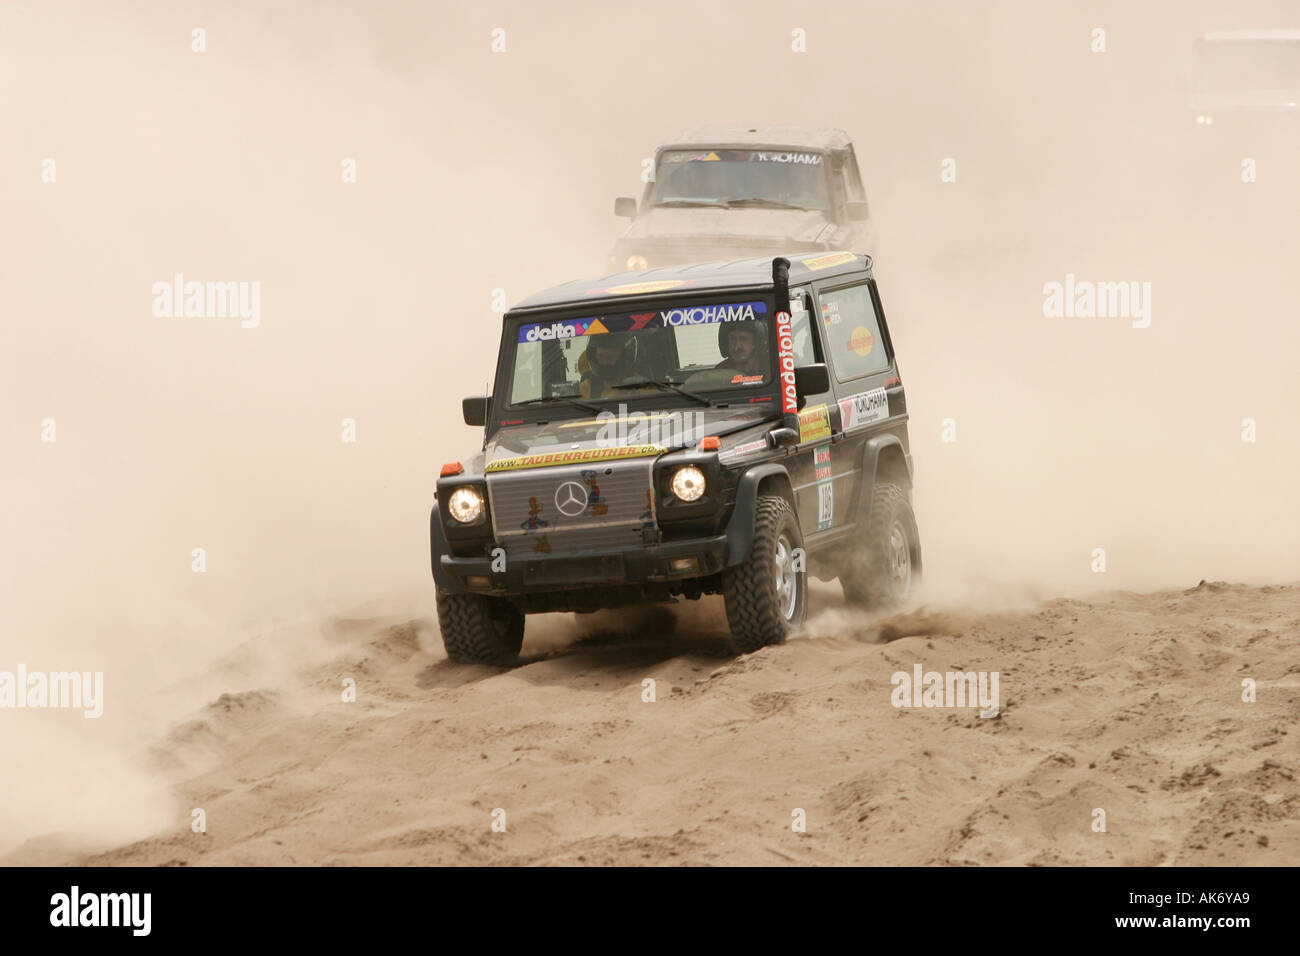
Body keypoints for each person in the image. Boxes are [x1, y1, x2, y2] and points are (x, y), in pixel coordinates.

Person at [579, 333, 637, 399]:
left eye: (611, 357)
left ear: (622, 358)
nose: (605, 362)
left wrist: (622, 400)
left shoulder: (637, 385)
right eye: (600, 356)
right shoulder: (587, 387)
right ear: (594, 356)